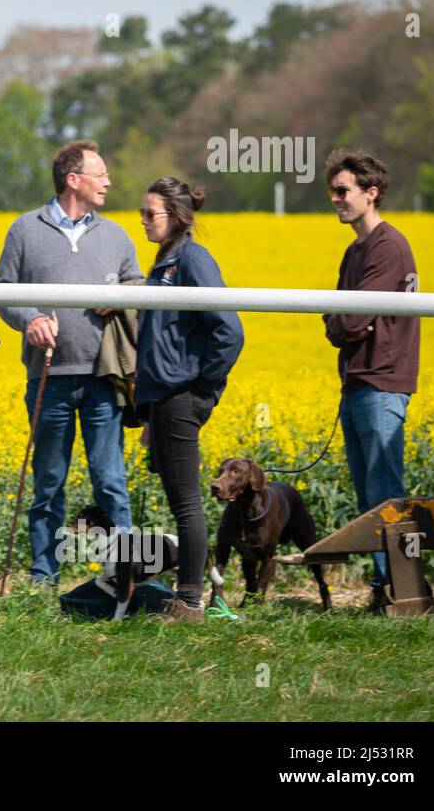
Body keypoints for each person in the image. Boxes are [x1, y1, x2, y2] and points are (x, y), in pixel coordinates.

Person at [0, 140, 143, 586]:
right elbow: (3, 293)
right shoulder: (24, 230)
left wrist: (118, 298)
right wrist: (31, 319)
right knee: (49, 484)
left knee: (110, 481)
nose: (109, 182)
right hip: (48, 377)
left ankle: (125, 576)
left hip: (104, 379)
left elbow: (140, 284)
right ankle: (44, 577)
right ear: (73, 180)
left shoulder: (116, 235)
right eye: (101, 174)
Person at [134, 178, 243, 622]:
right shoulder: (165, 261)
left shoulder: (193, 259)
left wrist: (201, 389)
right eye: (141, 213)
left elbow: (230, 331)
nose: (142, 222)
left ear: (175, 216)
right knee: (181, 500)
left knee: (187, 504)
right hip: (163, 398)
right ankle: (190, 597)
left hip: (181, 397)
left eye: (150, 214)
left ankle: (191, 603)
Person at [321, 150, 419, 614]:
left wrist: (347, 322)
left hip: (382, 382)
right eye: (333, 191)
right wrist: (347, 324)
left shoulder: (387, 246)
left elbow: (351, 315)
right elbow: (337, 321)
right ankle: (385, 590)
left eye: (343, 191)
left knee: (385, 495)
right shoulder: (354, 250)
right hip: (358, 381)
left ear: (371, 193)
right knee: (369, 499)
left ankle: (403, 592)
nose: (335, 199)